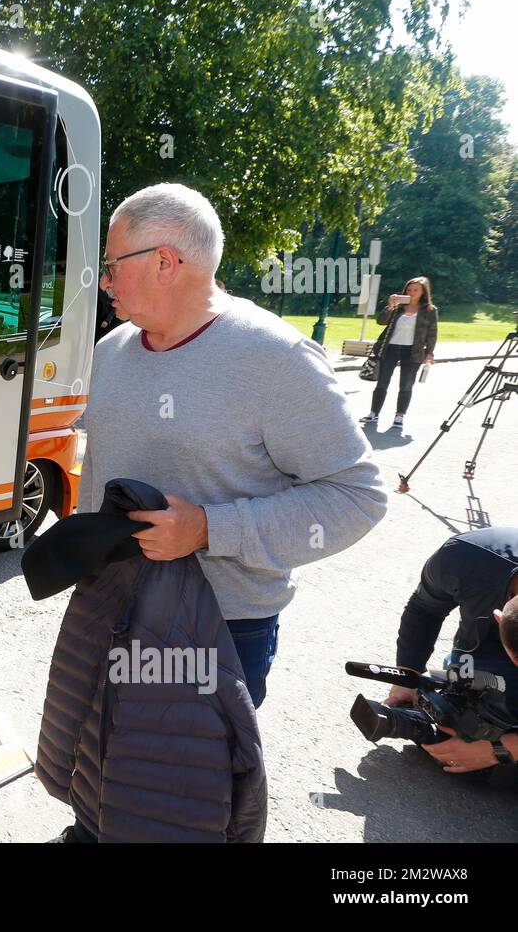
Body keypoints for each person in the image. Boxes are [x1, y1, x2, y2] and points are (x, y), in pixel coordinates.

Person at [88, 182, 388, 707]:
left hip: (220, 630)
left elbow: (358, 496)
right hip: (111, 607)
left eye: (112, 264)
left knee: (194, 786)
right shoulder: (111, 350)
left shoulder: (277, 358)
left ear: (165, 262)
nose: (104, 279)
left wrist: (208, 529)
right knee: (106, 766)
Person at [385, 527, 518, 774]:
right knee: (472, 705)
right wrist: (407, 676)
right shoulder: (464, 558)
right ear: (499, 618)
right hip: (483, 647)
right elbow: (424, 609)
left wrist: (500, 749)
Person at [358, 276, 437, 431]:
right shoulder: (398, 306)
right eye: (409, 289)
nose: (412, 292)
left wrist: (430, 352)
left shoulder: (429, 310)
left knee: (406, 385)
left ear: (423, 292)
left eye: (415, 290)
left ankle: (399, 416)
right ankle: (374, 413)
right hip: (391, 349)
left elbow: (432, 333)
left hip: (413, 352)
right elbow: (381, 321)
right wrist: (390, 306)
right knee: (382, 383)